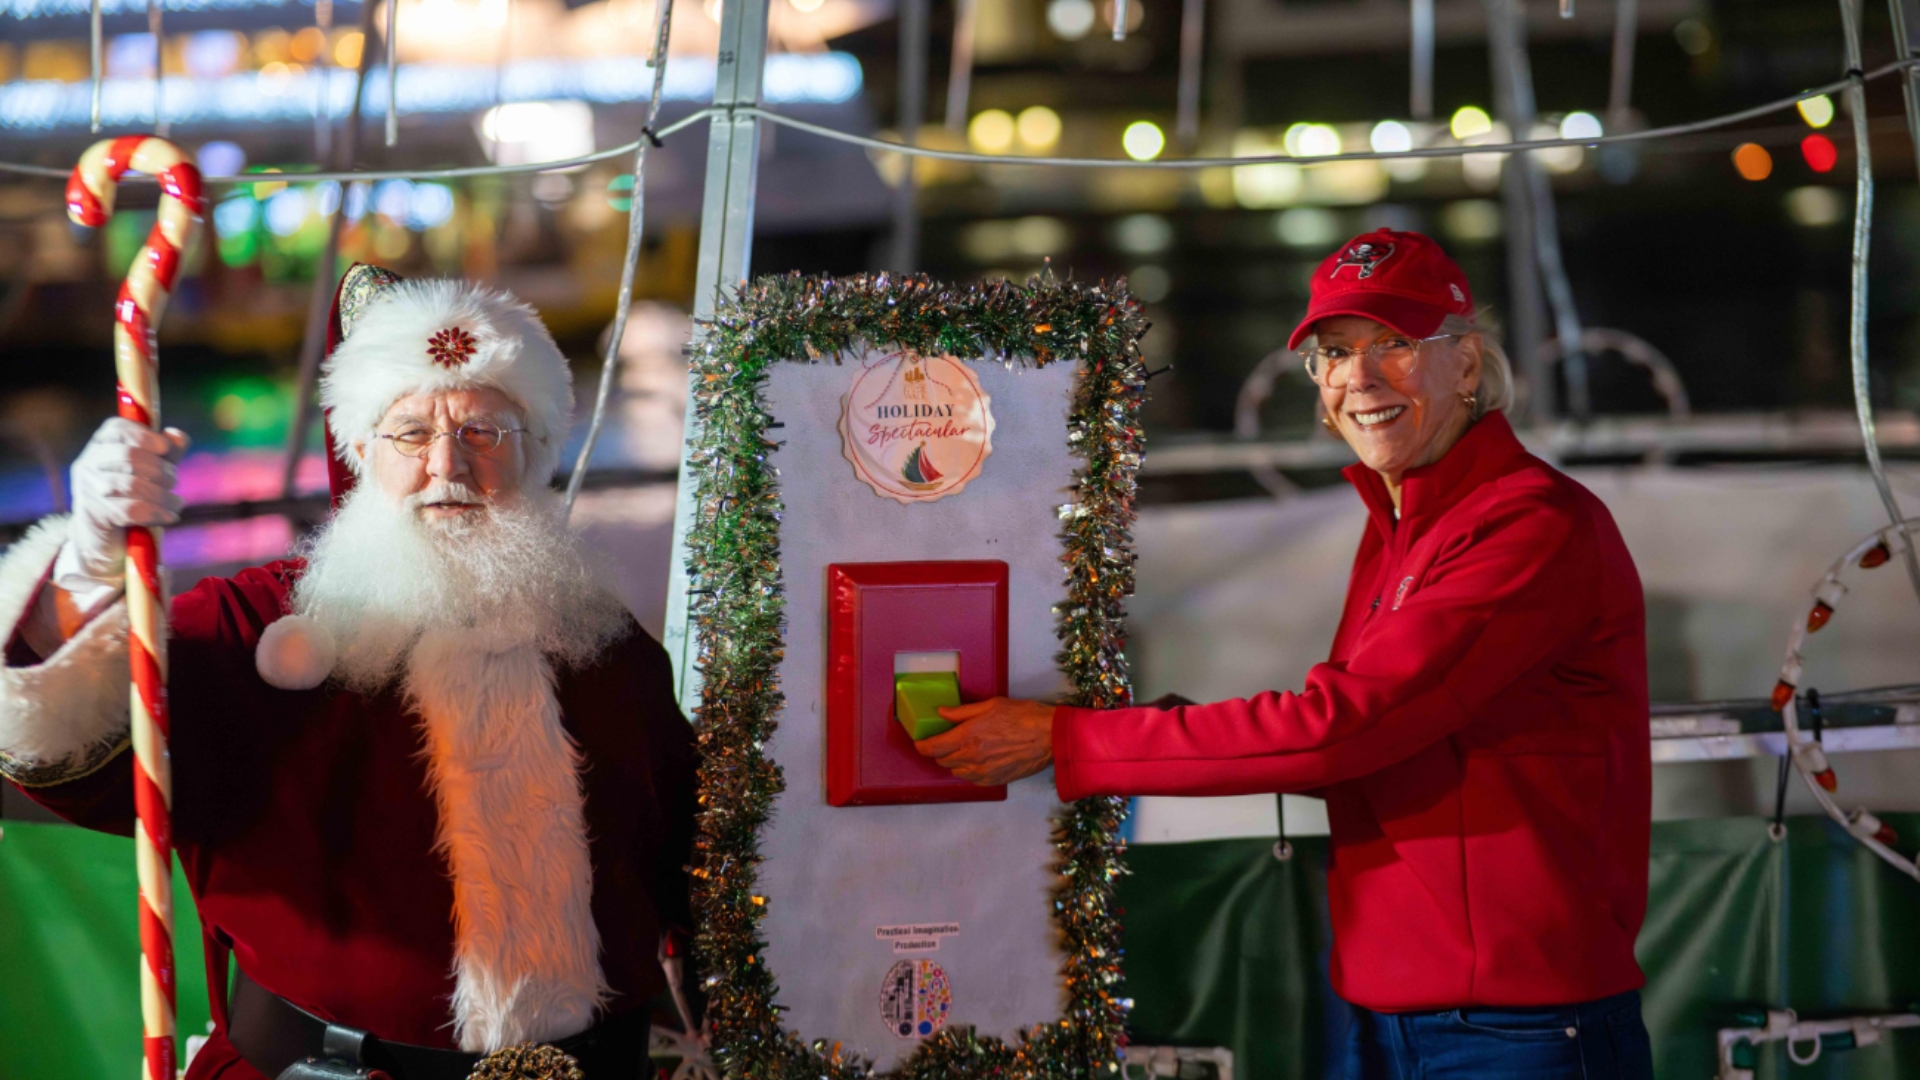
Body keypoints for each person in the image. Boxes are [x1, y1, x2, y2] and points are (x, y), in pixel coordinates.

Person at [918, 229, 1655, 1079]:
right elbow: (1352, 738)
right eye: (1336, 353)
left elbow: (1341, 729)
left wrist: (1068, 739)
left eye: (1395, 347)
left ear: (1466, 365)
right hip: (1395, 1013)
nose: (1360, 379)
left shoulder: (1530, 524)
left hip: (1519, 1030)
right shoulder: (1404, 529)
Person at [0, 265, 697, 1080]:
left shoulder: (606, 645)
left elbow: (691, 859)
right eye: (411, 431)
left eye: (484, 432)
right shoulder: (251, 629)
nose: (448, 464)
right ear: (360, 450)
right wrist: (83, 571)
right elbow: (74, 759)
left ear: (535, 455)